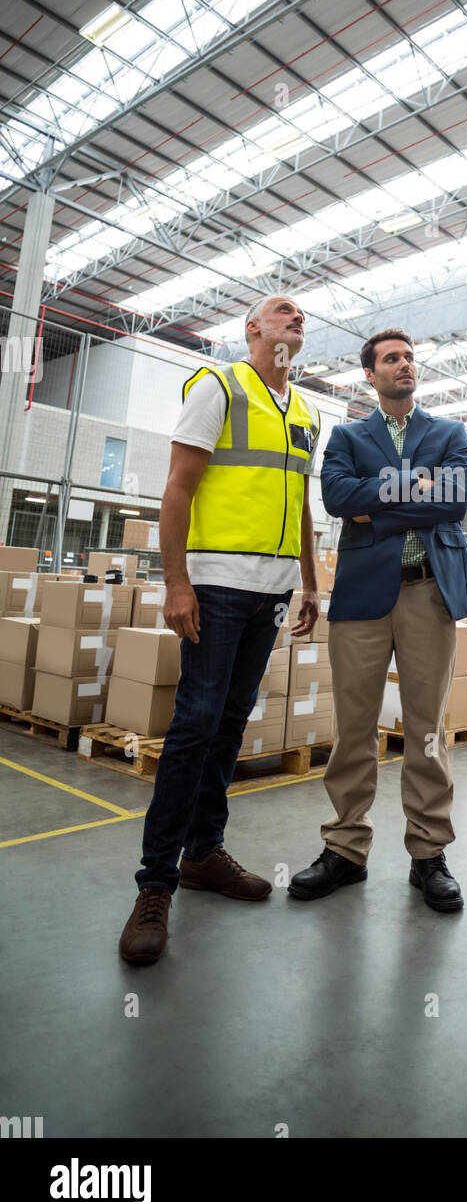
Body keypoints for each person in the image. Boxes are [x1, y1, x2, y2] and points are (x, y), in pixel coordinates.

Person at [119, 294, 321, 965]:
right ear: (252, 328)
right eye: (282, 310)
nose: (295, 318)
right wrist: (176, 582)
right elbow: (177, 487)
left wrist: (311, 583)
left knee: (231, 721)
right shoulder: (219, 386)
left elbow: (301, 508)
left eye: (301, 314)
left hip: (270, 593)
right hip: (215, 586)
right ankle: (156, 885)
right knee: (195, 724)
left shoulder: (304, 411)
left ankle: (204, 852)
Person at [290, 328, 467, 912]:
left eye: (410, 357)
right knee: (353, 728)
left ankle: (428, 856)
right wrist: (408, 491)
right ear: (369, 375)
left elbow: (453, 501)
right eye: (392, 359)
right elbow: (339, 500)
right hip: (363, 598)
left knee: (427, 730)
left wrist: (379, 509)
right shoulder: (347, 435)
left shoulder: (449, 433)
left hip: (428, 596)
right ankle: (345, 849)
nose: (405, 365)